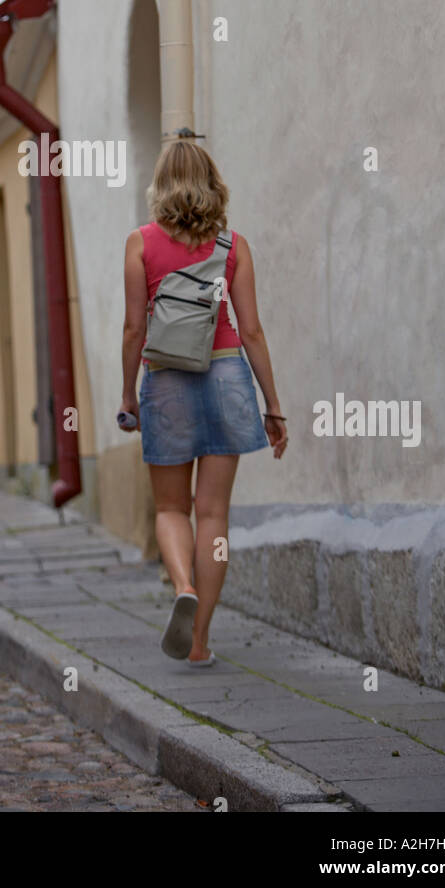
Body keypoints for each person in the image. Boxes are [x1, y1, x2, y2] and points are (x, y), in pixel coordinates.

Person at [120, 140, 288, 665]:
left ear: (161, 186)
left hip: (166, 380)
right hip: (226, 379)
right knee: (213, 515)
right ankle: (199, 644)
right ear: (212, 184)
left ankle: (182, 589)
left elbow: (133, 329)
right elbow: (253, 331)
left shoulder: (140, 245)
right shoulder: (233, 246)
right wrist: (273, 406)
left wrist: (128, 394)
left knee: (171, 507)